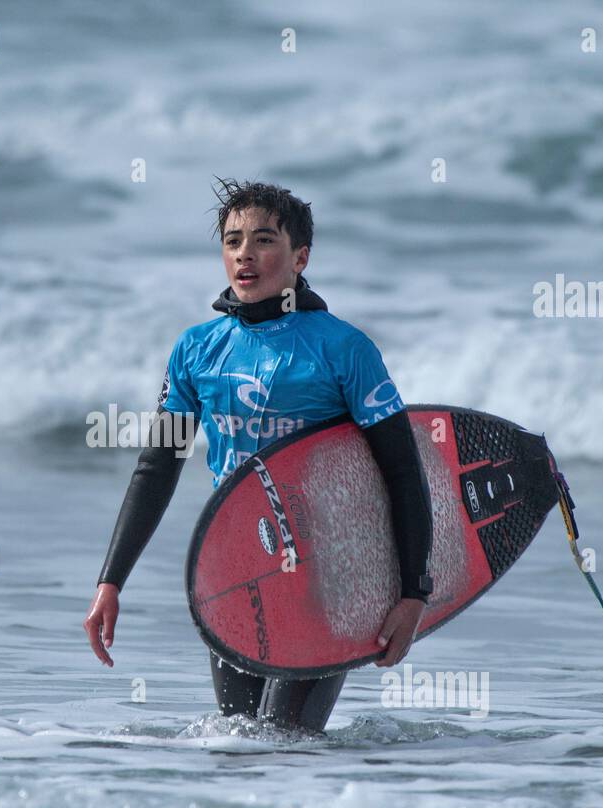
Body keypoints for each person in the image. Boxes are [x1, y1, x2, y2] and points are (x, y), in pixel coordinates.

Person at [82, 180, 433, 733]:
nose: (245, 253)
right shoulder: (197, 349)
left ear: (300, 257)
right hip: (237, 569)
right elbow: (158, 467)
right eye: (233, 240)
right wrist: (111, 581)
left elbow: (402, 473)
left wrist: (414, 593)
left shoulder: (344, 348)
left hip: (330, 573)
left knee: (286, 742)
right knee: (240, 742)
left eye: (264, 240)